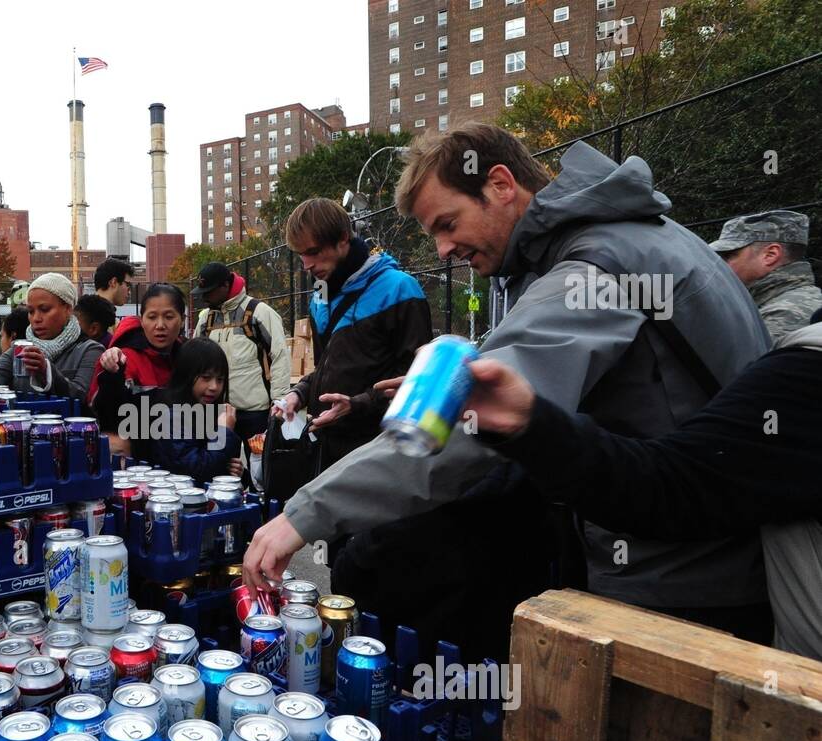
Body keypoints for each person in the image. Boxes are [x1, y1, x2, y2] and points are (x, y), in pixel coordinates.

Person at [245, 122, 772, 643]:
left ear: (500, 184)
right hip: (684, 552)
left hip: (681, 582)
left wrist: (304, 514)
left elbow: (464, 428)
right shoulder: (618, 242)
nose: (444, 249)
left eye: (448, 223)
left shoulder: (597, 266)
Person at [424, 325, 822, 659]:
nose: (443, 252)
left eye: (448, 226)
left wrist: (530, 424)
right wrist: (528, 424)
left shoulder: (806, 367)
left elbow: (672, 485)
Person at [273, 198, 433, 468]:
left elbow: (415, 380)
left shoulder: (400, 289)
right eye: (300, 254)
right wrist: (298, 393)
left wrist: (357, 404)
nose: (306, 265)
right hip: (327, 445)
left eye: (313, 251)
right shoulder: (320, 298)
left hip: (380, 450)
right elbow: (325, 367)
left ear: (343, 239)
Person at [191, 262, 291, 441]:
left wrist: (279, 400)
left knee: (258, 464)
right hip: (216, 410)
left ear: (225, 285)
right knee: (218, 463)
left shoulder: (259, 313)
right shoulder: (206, 319)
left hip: (254, 412)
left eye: (209, 291)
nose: (204, 297)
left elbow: (280, 356)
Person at [88, 283, 186, 458]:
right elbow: (102, 415)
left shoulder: (191, 357)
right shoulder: (121, 358)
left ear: (183, 319)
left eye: (169, 316)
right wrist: (111, 375)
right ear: (142, 320)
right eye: (152, 317)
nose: (160, 325)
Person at [0, 273, 103, 401]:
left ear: (68, 309)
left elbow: (83, 398)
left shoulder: (90, 350)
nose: (36, 319)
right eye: (31, 311)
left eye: (44, 309)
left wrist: (47, 372)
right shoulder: (20, 349)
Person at [709, 210, 820, 344]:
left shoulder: (785, 313)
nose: (719, 263)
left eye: (729, 255)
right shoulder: (767, 302)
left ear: (770, 255)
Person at [148, 337, 244, 482]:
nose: (214, 387)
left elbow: (215, 463)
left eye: (220, 379)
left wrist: (236, 472)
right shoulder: (172, 416)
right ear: (186, 377)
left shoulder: (210, 412)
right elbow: (196, 471)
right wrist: (224, 432)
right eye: (206, 378)